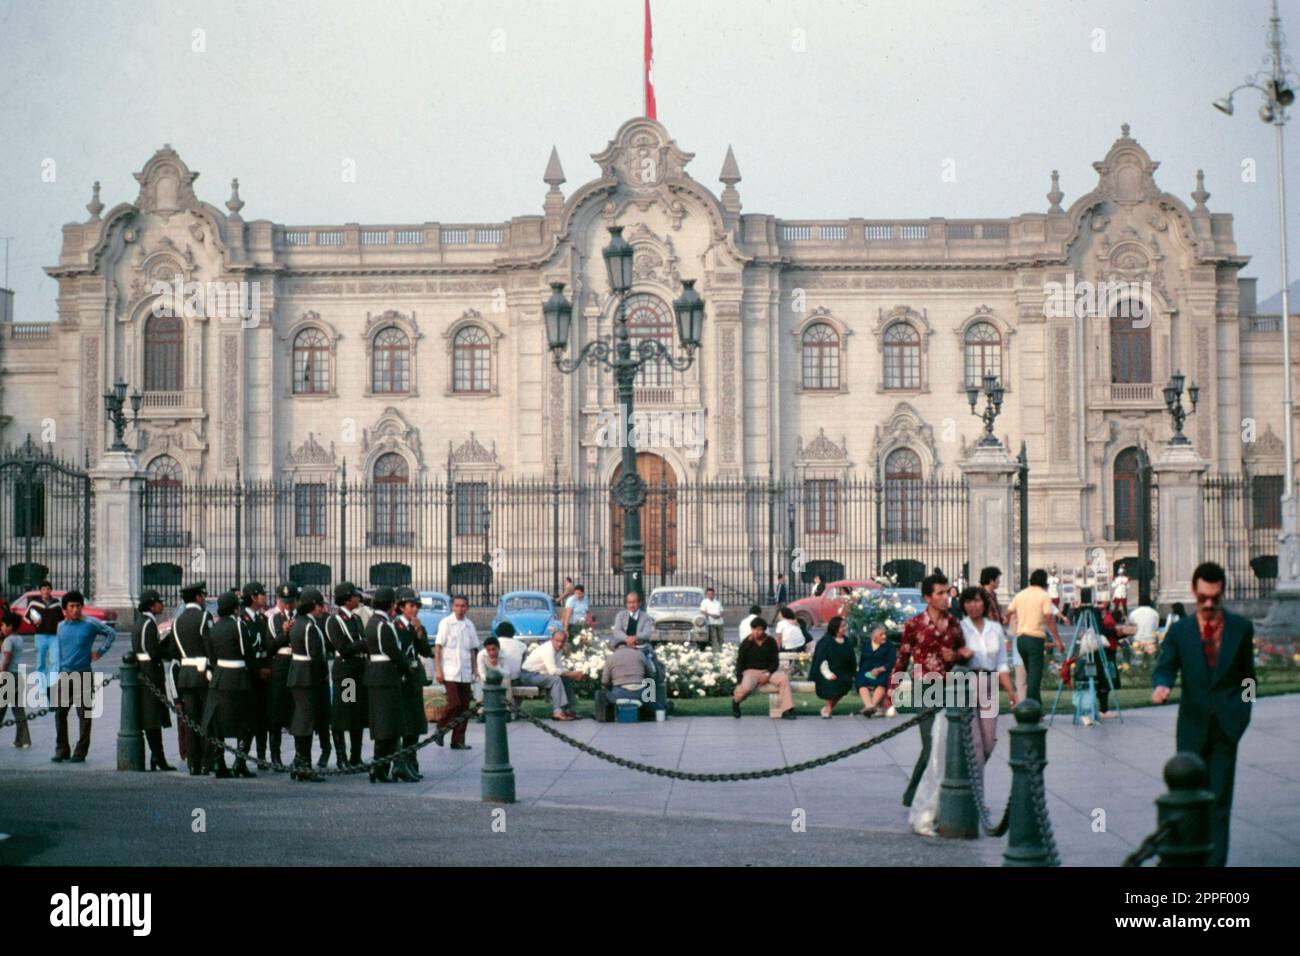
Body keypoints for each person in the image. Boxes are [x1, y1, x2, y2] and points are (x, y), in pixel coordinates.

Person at [1152, 562, 1254, 867]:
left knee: (1219, 803)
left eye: (1215, 599)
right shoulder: (1181, 631)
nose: (1208, 605)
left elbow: (1249, 678)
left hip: (1227, 728)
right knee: (1186, 801)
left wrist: (1244, 711)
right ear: (1195, 592)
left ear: (1221, 593)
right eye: (1203, 599)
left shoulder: (1240, 628)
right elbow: (1165, 665)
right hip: (1192, 728)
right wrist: (1162, 685)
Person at [891, 573, 970, 820]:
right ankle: (917, 794)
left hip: (949, 689)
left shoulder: (955, 624)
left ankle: (920, 794)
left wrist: (955, 656)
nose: (946, 597)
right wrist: (892, 690)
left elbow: (966, 653)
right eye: (940, 593)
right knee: (930, 745)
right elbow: (902, 657)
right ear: (927, 597)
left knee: (943, 744)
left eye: (947, 592)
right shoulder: (915, 624)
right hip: (925, 688)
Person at [50, 589, 116, 764]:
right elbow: (59, 652)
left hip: (83, 673)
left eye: (78, 606)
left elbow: (111, 633)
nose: (76, 609)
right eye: (72, 606)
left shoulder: (90, 624)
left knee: (84, 715)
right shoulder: (60, 627)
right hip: (64, 673)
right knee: (60, 713)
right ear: (65, 609)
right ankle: (62, 749)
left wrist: (100, 652)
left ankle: (80, 751)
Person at [201, 591, 257, 778]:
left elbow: (212, 655)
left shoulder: (214, 627)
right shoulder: (238, 625)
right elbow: (246, 652)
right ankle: (240, 762)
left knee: (218, 723)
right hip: (238, 677)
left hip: (220, 677)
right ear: (235, 608)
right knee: (245, 721)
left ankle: (219, 763)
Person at [958, 586, 1015, 768]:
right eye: (968, 602)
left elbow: (1002, 663)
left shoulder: (995, 628)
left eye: (977, 601)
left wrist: (1011, 692)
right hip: (967, 684)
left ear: (984, 603)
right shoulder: (959, 628)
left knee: (988, 741)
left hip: (989, 684)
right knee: (974, 743)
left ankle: (971, 775)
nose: (973, 606)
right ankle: (975, 789)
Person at [363, 588, 413, 783]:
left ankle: (381, 765)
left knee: (382, 721)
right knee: (389, 723)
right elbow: (395, 651)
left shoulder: (371, 622)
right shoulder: (385, 625)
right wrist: (406, 669)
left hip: (374, 673)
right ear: (391, 604)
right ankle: (381, 765)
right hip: (385, 675)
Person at [286, 588, 329, 782]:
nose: (323, 608)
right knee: (305, 721)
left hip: (299, 674)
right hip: (308, 677)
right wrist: (322, 677)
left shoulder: (298, 623)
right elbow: (316, 657)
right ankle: (303, 762)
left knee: (302, 719)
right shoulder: (309, 626)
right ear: (312, 605)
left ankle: (300, 760)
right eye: (320, 605)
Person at [130, 589, 174, 770]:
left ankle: (157, 756)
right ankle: (158, 757)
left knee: (152, 717)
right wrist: (168, 649)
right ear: (151, 605)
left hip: (144, 671)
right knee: (152, 718)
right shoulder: (149, 623)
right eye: (158, 602)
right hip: (150, 673)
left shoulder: (141, 622)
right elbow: (153, 652)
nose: (161, 605)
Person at [1006, 569, 1064, 704]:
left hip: (1021, 639)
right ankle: (1030, 708)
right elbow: (1049, 618)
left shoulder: (1020, 595)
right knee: (1034, 677)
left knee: (1031, 675)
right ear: (1044, 582)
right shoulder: (1043, 596)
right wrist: (1057, 639)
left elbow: (1008, 612)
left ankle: (1037, 707)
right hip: (1035, 638)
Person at [326, 582, 368, 769]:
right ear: (346, 599)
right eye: (355, 596)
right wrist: (365, 643)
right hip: (347, 673)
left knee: (357, 714)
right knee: (344, 713)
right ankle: (341, 756)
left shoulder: (356, 619)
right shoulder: (335, 621)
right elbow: (342, 648)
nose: (358, 599)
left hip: (359, 670)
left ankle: (355, 756)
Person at [396, 587, 434, 776]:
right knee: (404, 722)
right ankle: (401, 761)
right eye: (411, 606)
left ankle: (411, 759)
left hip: (414, 677)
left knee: (416, 720)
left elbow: (426, 651)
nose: (415, 610)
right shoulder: (396, 626)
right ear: (402, 607)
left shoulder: (417, 626)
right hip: (402, 677)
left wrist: (419, 632)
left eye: (416, 606)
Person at [433, 593, 479, 749]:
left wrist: (475, 669)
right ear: (453, 606)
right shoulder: (446, 623)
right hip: (450, 671)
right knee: (454, 703)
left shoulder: (469, 625)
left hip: (465, 671)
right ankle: (440, 728)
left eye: (463, 605)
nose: (460, 609)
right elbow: (438, 648)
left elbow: (472, 650)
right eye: (457, 605)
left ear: (467, 607)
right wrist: (438, 670)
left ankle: (458, 740)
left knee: (464, 707)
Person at [238, 582, 272, 767]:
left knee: (262, 718)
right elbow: (245, 652)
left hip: (263, 675)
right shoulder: (242, 620)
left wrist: (267, 667)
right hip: (250, 675)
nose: (265, 597)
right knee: (247, 718)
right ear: (253, 597)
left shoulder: (261, 619)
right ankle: (241, 758)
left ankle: (261, 756)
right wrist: (258, 669)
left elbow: (264, 647)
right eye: (262, 594)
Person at [732, 617, 793, 719]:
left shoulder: (771, 642)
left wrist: (768, 673)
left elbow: (775, 661)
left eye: (760, 630)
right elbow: (740, 661)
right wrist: (739, 678)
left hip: (768, 671)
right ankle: (736, 702)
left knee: (783, 679)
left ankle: (786, 710)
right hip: (750, 672)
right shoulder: (746, 643)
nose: (757, 632)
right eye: (755, 629)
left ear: (764, 630)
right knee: (746, 687)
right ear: (751, 630)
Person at [265, 583, 298, 768]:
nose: (288, 606)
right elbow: (270, 647)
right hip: (280, 667)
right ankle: (275, 754)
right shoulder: (273, 620)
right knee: (276, 713)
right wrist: (284, 633)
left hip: (296, 665)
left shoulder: (301, 618)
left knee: (296, 711)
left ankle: (299, 754)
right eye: (285, 602)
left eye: (291, 602)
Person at [521, 630, 584, 720]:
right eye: (557, 641)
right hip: (528, 675)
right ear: (551, 639)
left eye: (562, 641)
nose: (559, 644)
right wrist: (572, 674)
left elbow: (559, 668)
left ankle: (567, 710)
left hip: (538, 674)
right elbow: (553, 671)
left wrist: (572, 674)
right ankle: (557, 712)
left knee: (565, 678)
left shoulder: (557, 650)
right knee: (556, 680)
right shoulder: (548, 649)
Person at [809, 615, 855, 718]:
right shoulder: (825, 641)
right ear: (835, 628)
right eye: (842, 626)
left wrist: (852, 673)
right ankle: (828, 709)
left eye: (845, 626)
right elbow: (821, 661)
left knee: (846, 682)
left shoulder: (846, 641)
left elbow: (851, 659)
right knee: (833, 683)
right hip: (825, 672)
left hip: (843, 672)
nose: (845, 628)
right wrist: (828, 674)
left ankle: (827, 708)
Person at [597, 632, 651, 718]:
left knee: (600, 694)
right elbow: (650, 672)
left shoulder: (611, 658)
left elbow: (604, 681)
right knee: (650, 689)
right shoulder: (640, 654)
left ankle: (603, 717)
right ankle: (646, 713)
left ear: (615, 647)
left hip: (619, 693)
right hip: (641, 693)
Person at [26, 581, 63, 707]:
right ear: (40, 590)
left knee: (55, 662)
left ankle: (51, 686)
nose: (46, 591)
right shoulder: (34, 603)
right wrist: (34, 622)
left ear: (51, 590)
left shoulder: (56, 603)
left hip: (54, 636)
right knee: (41, 663)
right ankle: (42, 689)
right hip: (40, 636)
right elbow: (26, 616)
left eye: (48, 589)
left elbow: (61, 619)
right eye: (43, 589)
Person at [0, 611, 32, 748]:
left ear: (10, 627)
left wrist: (2, 673)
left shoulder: (8, 641)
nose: (1, 628)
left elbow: (6, 659)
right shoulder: (18, 639)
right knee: (18, 710)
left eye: (2, 625)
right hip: (18, 675)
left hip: (8, 676)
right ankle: (23, 740)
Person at [855, 625, 896, 717]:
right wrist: (865, 671)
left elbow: (891, 662)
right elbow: (863, 661)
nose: (884, 636)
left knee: (882, 681)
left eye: (885, 634)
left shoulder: (890, 646)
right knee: (861, 679)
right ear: (873, 636)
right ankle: (870, 705)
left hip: (882, 671)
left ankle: (871, 707)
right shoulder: (866, 644)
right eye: (881, 634)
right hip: (867, 671)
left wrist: (879, 670)